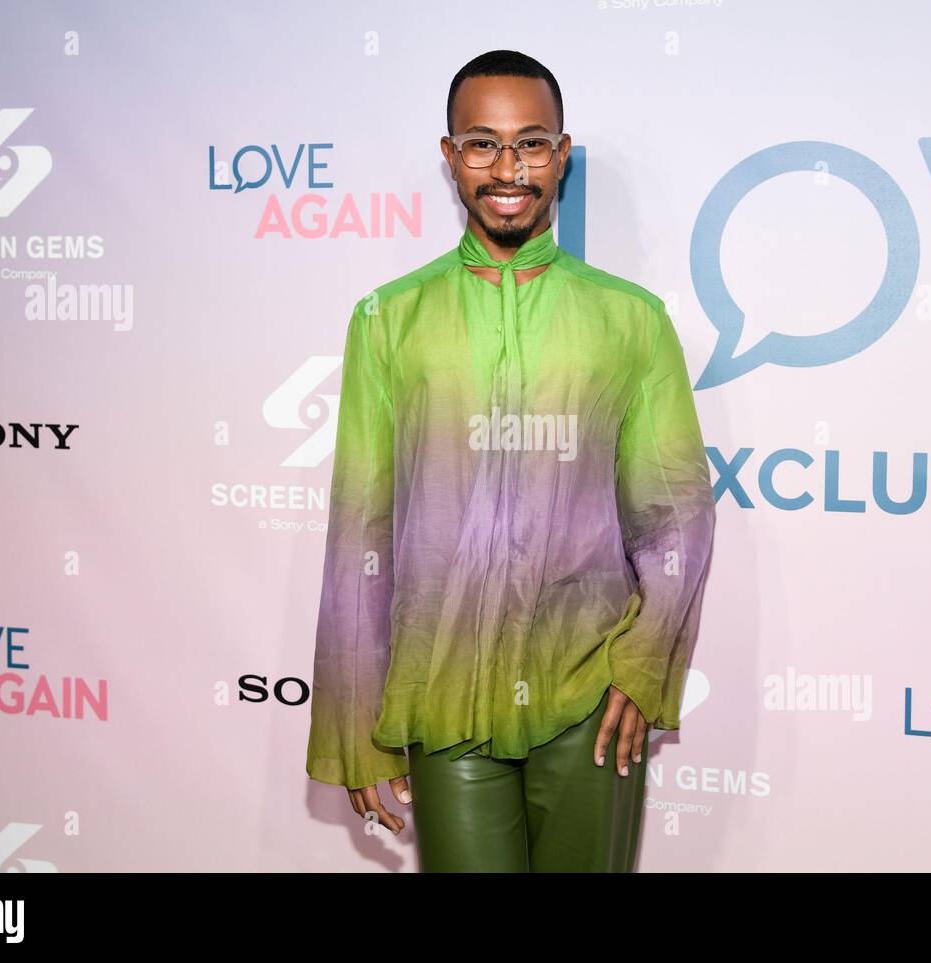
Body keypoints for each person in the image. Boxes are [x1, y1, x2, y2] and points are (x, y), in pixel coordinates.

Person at [305, 49, 716, 872]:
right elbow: (363, 525)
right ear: (451, 157)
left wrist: (640, 669)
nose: (508, 168)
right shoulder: (389, 320)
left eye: (530, 143)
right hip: (442, 694)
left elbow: (675, 515)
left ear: (561, 157)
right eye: (483, 144)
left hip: (590, 697)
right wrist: (355, 715)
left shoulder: (630, 321)